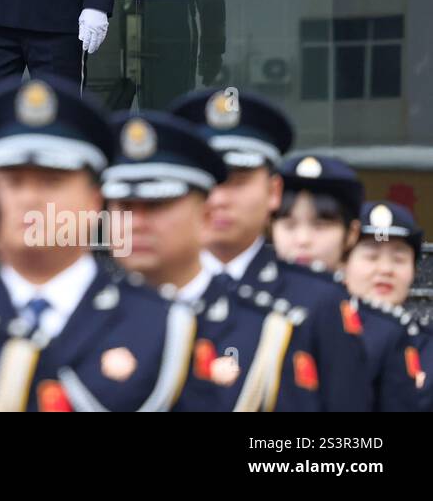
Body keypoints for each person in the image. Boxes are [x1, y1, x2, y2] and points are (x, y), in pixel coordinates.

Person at [0, 76, 195, 412]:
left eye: (52, 180)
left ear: (94, 200)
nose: (30, 199)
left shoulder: (164, 325)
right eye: (13, 181)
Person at [169, 86, 372, 411]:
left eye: (238, 180)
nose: (219, 198)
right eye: (208, 180)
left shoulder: (318, 301)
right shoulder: (147, 292)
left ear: (274, 191)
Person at [101, 111, 319, 411]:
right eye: (124, 205)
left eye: (156, 205)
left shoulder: (267, 333)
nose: (136, 223)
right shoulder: (78, 320)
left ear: (204, 214)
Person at [271, 154, 423, 411]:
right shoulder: (242, 302)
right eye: (289, 224)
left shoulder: (384, 332)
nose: (303, 239)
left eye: (320, 225)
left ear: (349, 236)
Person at [344, 202, 431, 410]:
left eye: (398, 259)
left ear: (414, 271)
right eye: (371, 257)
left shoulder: (428, 345)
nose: (385, 269)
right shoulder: (318, 333)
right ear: (344, 263)